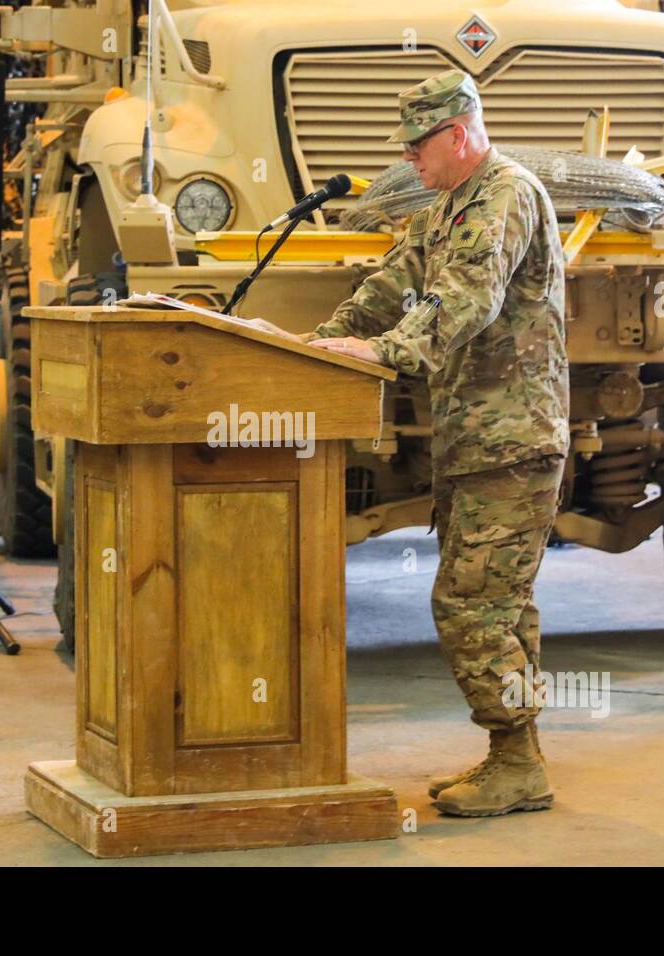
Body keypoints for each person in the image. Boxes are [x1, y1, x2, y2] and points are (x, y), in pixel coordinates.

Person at [256, 69, 569, 816]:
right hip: (474, 439)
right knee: (500, 606)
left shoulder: (504, 193)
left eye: (417, 144)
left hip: (512, 440)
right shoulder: (447, 209)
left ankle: (517, 760)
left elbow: (467, 297)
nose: (408, 160)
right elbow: (389, 288)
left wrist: (387, 354)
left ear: (457, 134)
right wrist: (315, 346)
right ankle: (516, 757)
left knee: (470, 604)